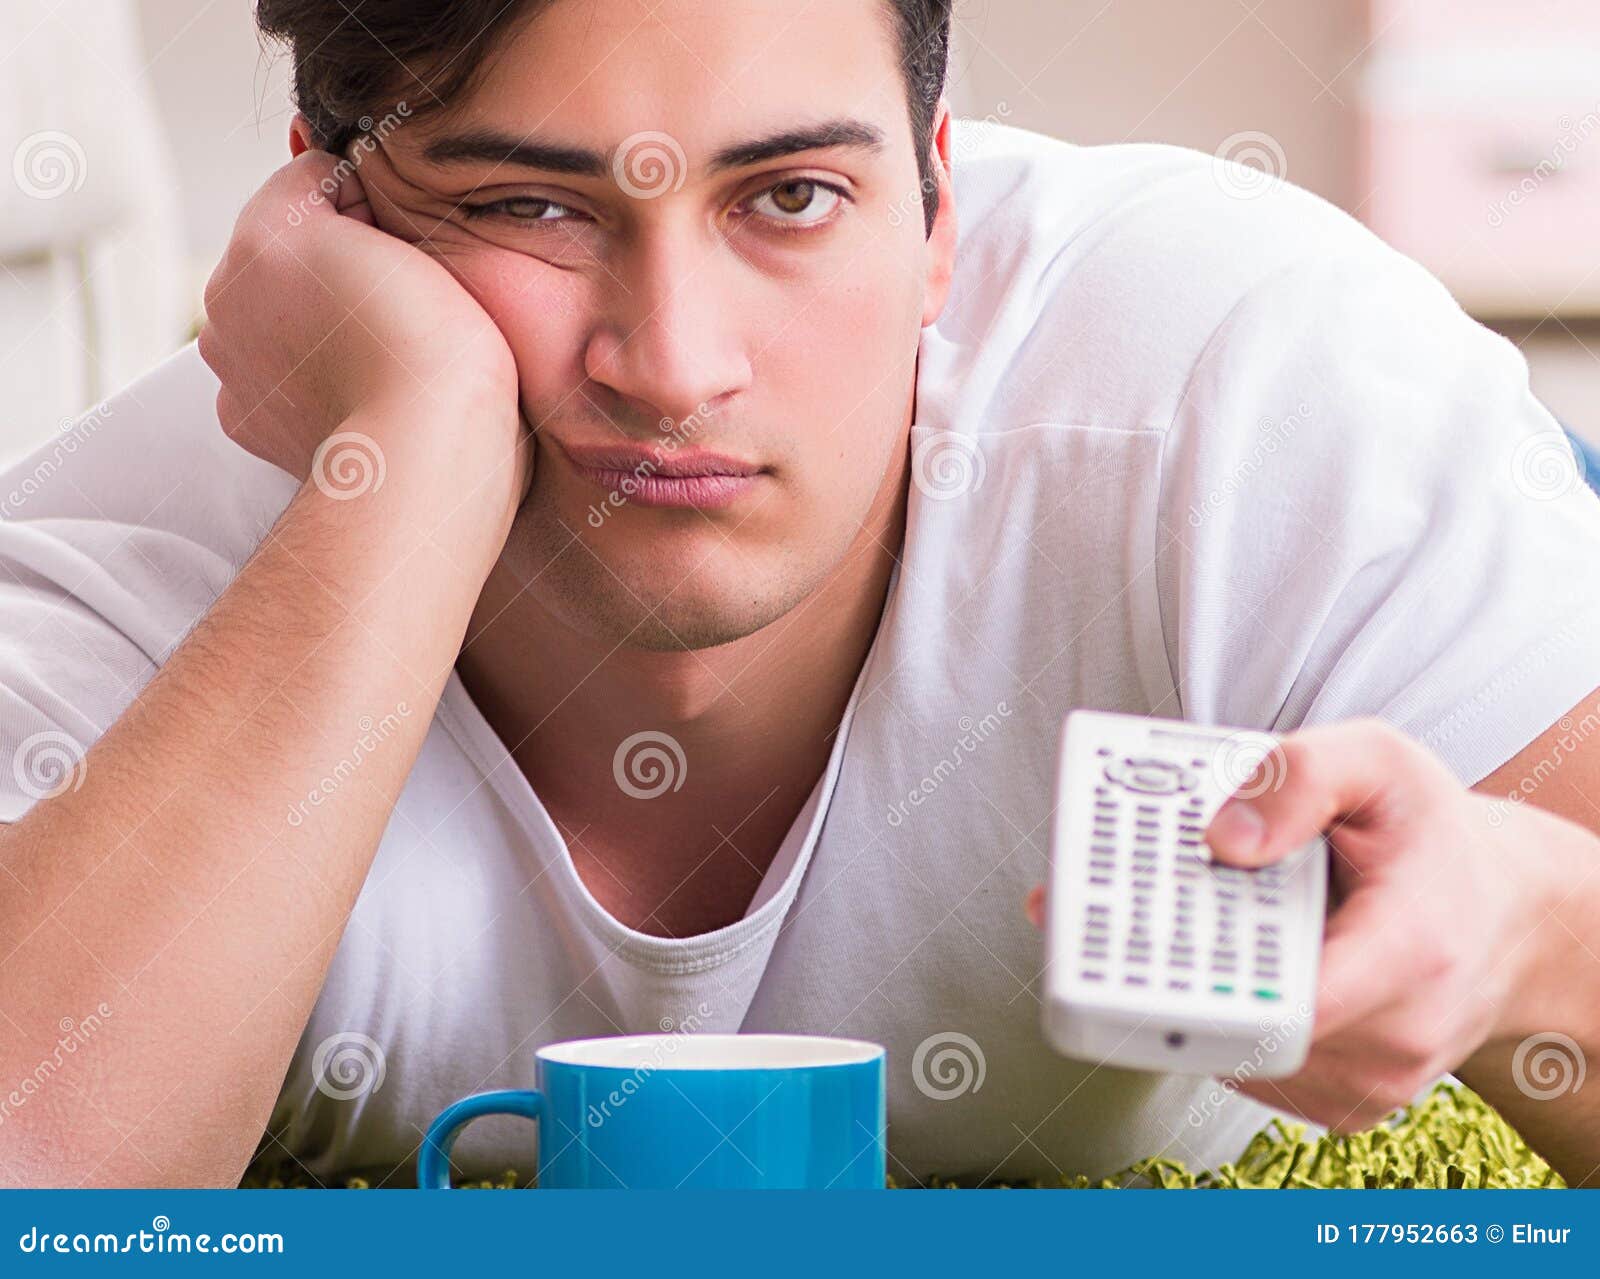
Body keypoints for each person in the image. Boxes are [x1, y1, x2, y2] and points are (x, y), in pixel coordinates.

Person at [1, 0, 1598, 1189]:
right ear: (321, 222)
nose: (674, 366)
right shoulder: (125, 563)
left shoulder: (1252, 394)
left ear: (937, 210)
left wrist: (1525, 928)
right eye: (524, 206)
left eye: (788, 198)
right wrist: (410, 456)